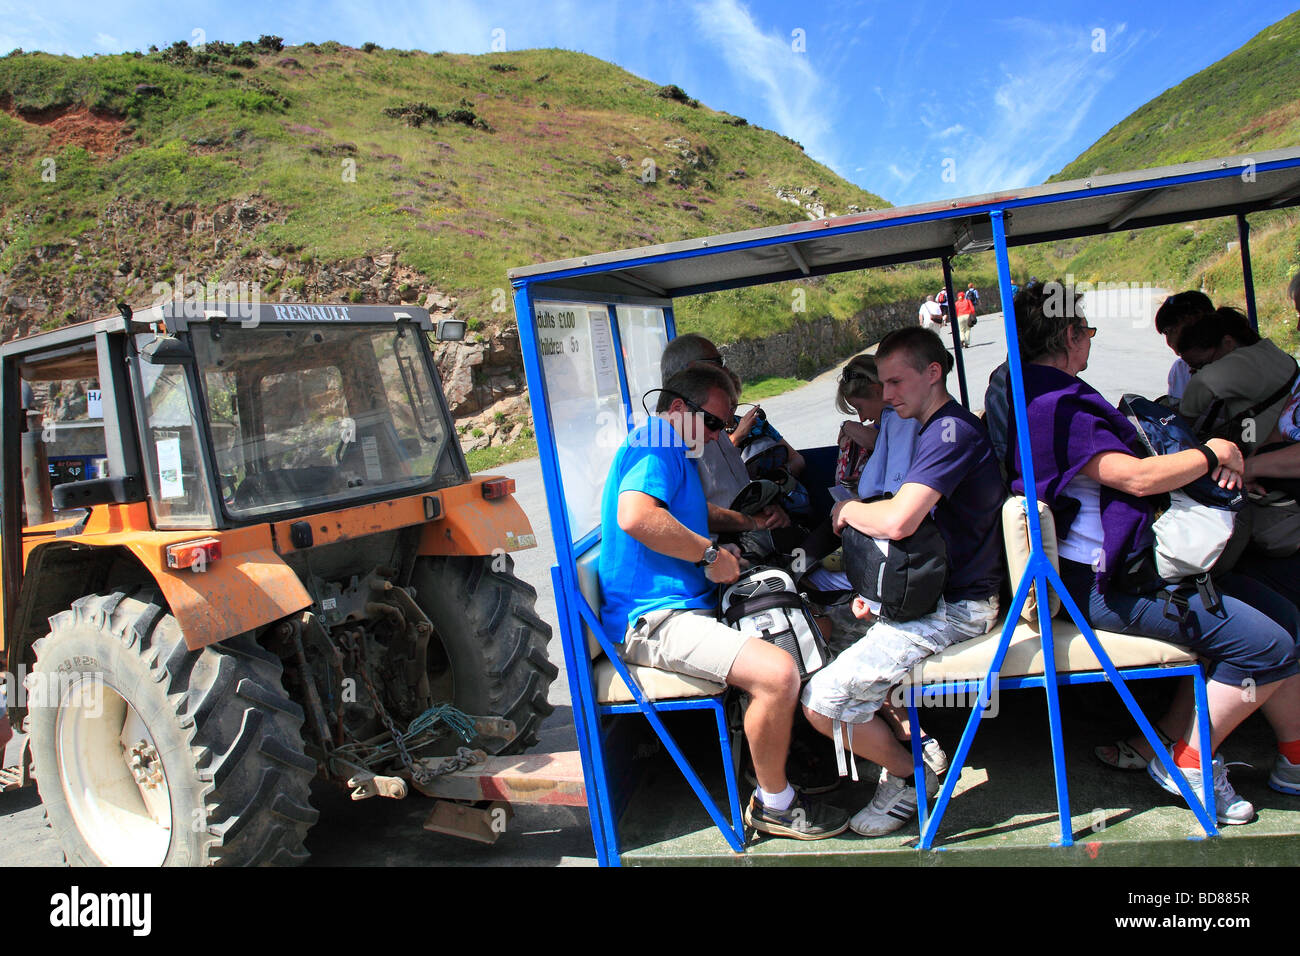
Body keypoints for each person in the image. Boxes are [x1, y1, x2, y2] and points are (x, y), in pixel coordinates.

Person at [1007, 281, 1300, 823]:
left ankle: (1292, 758)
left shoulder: (1048, 394)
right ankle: (1184, 760)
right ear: (1069, 335)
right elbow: (1138, 479)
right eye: (1088, 331)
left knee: (1283, 619)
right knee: (1268, 646)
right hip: (1102, 584)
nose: (1090, 342)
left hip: (1128, 567)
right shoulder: (1054, 405)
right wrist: (1215, 453)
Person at [598, 363, 849, 839]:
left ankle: (781, 755)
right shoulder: (656, 440)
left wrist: (741, 532)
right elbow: (635, 517)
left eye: (727, 425)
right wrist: (710, 553)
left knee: (811, 626)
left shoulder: (678, 448)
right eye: (714, 423)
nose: (719, 436)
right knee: (778, 673)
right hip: (653, 619)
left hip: (689, 601)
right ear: (678, 409)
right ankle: (775, 803)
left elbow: (689, 514)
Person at [799, 327, 1005, 836]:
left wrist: (846, 510)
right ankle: (910, 746)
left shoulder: (951, 433)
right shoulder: (936, 429)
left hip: (959, 608)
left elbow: (899, 522)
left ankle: (912, 776)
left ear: (933, 373)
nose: (886, 396)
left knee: (820, 703)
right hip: (933, 595)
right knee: (823, 640)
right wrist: (882, 595)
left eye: (895, 382)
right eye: (883, 385)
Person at [659, 334, 792, 552]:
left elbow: (733, 485)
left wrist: (766, 510)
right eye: (718, 363)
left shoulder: (709, 422)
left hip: (740, 539)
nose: (726, 371)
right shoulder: (671, 437)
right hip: (722, 547)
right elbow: (684, 511)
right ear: (694, 369)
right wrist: (750, 522)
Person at [1176, 306, 1298, 454]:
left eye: (1201, 365)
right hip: (1278, 449)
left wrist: (1181, 420)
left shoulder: (1247, 363)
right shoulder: (1266, 351)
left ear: (1228, 342)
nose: (1195, 372)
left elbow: (1202, 382)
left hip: (1266, 458)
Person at [1153, 290, 1214, 403]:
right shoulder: (1180, 369)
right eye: (1166, 333)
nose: (1170, 342)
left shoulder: (1235, 364)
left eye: (1170, 331)